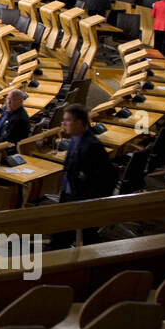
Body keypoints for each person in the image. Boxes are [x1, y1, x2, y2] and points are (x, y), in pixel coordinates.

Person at [49, 103, 118, 248]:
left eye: (67, 120)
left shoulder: (92, 146)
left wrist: (86, 204)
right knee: (66, 235)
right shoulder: (76, 139)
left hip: (80, 201)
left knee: (63, 238)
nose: (63, 124)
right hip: (70, 196)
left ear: (79, 123)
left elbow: (108, 178)